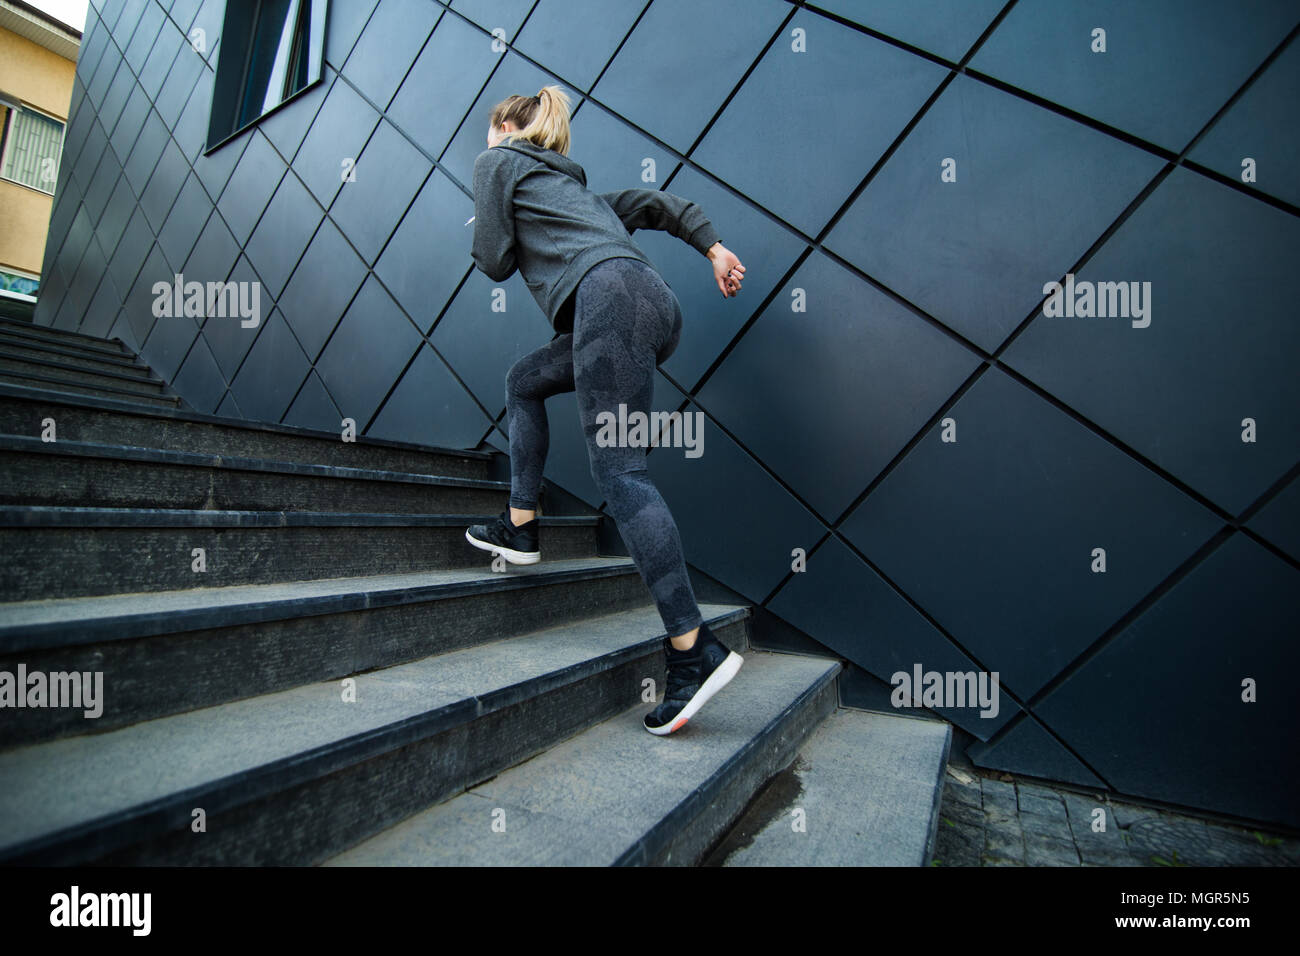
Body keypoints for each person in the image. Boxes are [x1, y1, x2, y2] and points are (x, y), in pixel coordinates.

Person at [465, 85, 745, 735]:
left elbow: (492, 260)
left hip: (609, 301)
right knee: (526, 379)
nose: (486, 137)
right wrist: (713, 248)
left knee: (621, 471)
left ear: (508, 127)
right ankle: (522, 523)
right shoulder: (582, 197)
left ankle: (691, 649)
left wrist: (490, 214)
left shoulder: (498, 161)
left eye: (491, 127)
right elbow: (657, 204)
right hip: (650, 306)